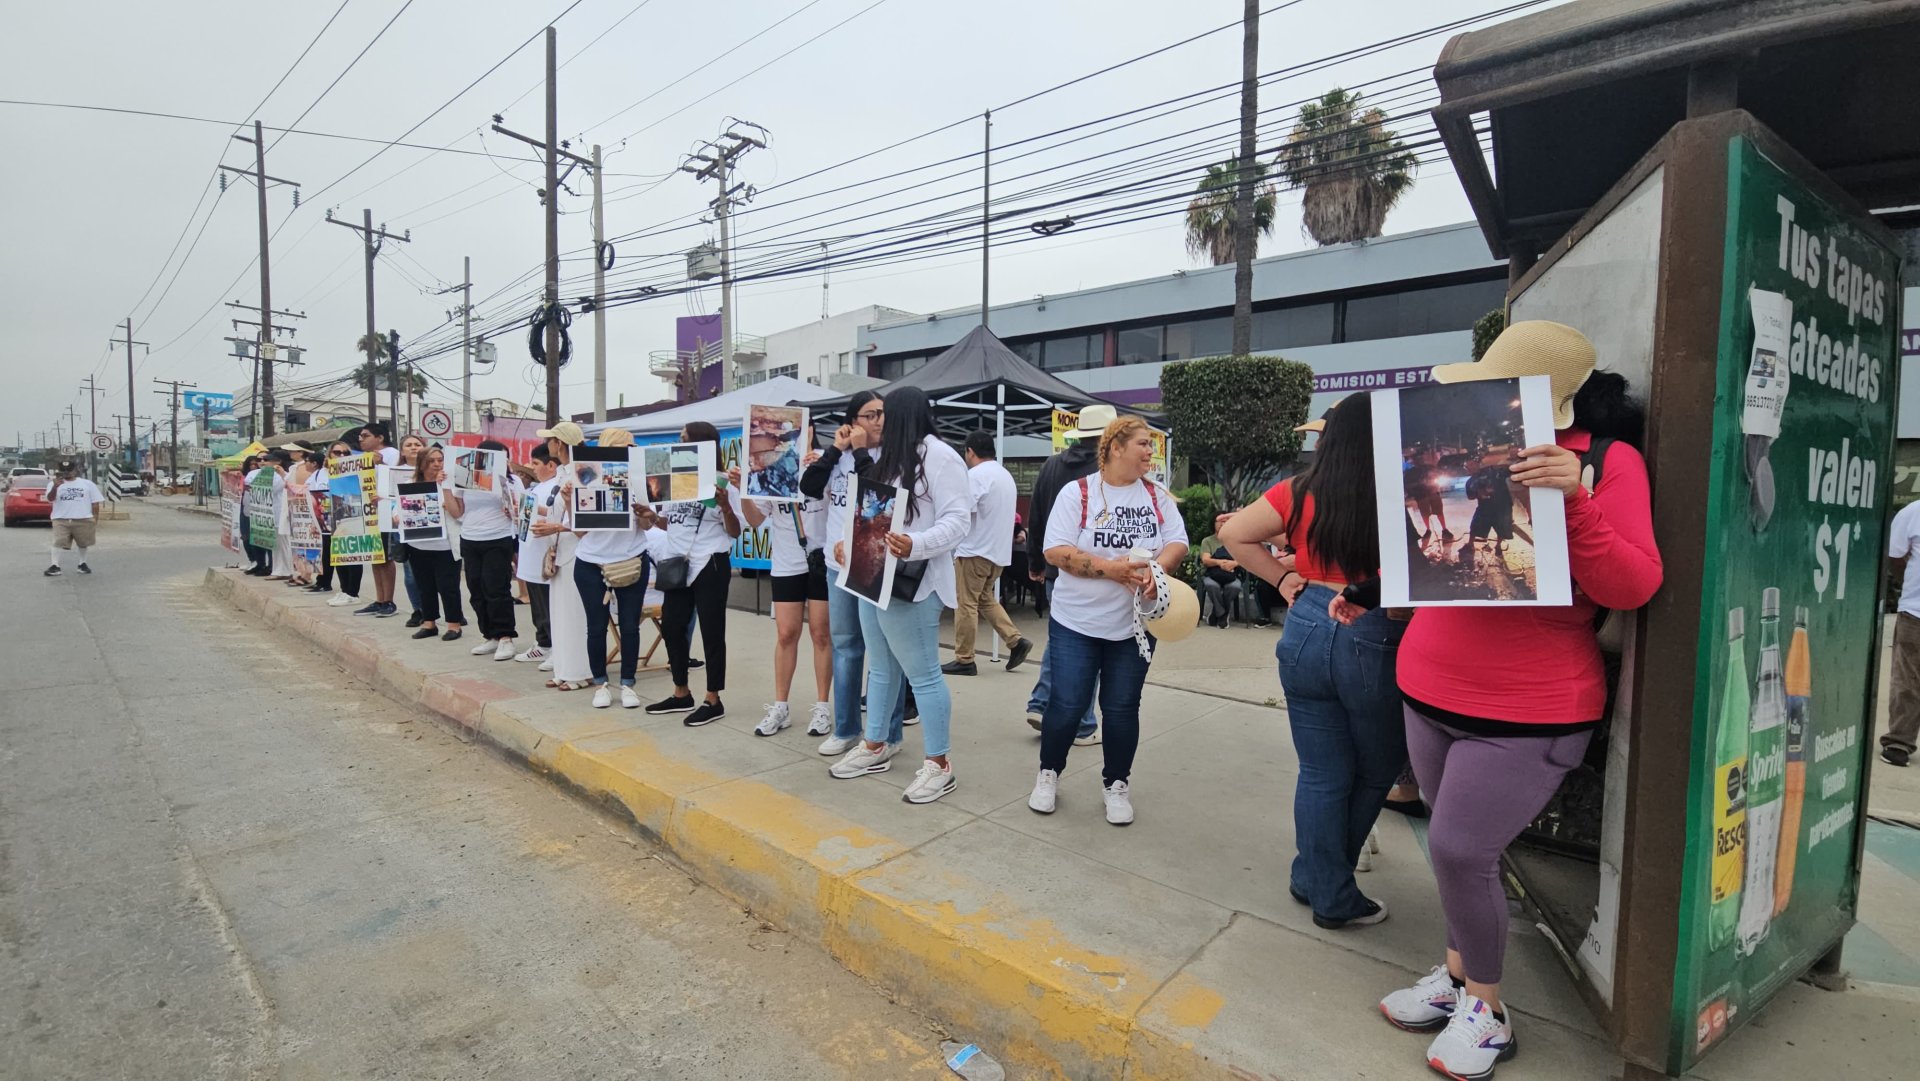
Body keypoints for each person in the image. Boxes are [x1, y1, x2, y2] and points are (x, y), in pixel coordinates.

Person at [1376, 323, 1662, 1080]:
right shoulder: (1481, 452)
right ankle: (1458, 974)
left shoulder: (1606, 462)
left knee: (1461, 848)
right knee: (1458, 850)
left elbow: (1634, 584)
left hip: (1531, 706)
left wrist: (1572, 500)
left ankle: (1488, 1009)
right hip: (1428, 685)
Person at [1221, 392, 1402, 932]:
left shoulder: (1299, 491)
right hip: (1374, 624)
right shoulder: (1398, 493)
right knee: (1373, 771)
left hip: (1307, 619)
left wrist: (1281, 577)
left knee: (1321, 772)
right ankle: (1330, 889)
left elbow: (1232, 533)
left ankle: (1316, 876)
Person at [1029, 415, 1188, 825]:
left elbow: (1177, 541)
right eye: (1142, 444)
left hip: (1134, 626)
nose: (1149, 453)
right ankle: (1049, 772)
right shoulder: (1077, 493)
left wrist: (1157, 573)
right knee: (1066, 705)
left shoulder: (1156, 496)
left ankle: (1116, 783)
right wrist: (1109, 569)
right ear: (1115, 447)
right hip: (1076, 623)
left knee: (1121, 709)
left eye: (1150, 446)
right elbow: (1055, 551)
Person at [826, 387, 971, 805]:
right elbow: (869, 513)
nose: (880, 421)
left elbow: (959, 521)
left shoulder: (942, 458)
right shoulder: (889, 458)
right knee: (881, 669)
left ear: (905, 414)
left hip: (914, 584)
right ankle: (876, 745)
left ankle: (939, 764)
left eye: (885, 413)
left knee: (923, 673)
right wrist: (846, 545)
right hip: (873, 579)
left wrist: (916, 543)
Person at [799, 390, 908, 757]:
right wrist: (834, 450)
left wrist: (860, 452)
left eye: (882, 413)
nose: (879, 420)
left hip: (877, 565)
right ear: (852, 421)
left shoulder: (893, 457)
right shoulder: (837, 457)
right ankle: (846, 728)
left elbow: (879, 496)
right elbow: (808, 488)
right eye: (870, 414)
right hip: (838, 565)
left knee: (886, 652)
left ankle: (889, 734)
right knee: (846, 646)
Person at [645, 421, 743, 726]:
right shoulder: (676, 480)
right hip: (677, 564)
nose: (678, 442)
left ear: (701, 445)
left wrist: (726, 506)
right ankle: (681, 692)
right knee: (673, 627)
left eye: (683, 439)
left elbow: (735, 530)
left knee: (712, 632)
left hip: (709, 563)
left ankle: (713, 699)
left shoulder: (723, 482)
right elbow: (670, 523)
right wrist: (651, 517)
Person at [1022, 406, 1110, 744]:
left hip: (1055, 565)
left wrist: (1035, 563)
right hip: (1095, 571)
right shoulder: (1106, 471)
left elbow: (1037, 518)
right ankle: (1083, 723)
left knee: (1062, 640)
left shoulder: (1052, 465)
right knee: (1092, 648)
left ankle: (1041, 703)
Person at [729, 458, 833, 739]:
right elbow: (754, 519)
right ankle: (780, 706)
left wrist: (825, 464)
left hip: (822, 560)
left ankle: (822, 706)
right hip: (787, 562)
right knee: (787, 634)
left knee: (821, 633)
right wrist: (743, 490)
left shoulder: (828, 462)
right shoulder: (771, 468)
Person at [573, 428, 661, 710]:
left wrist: (646, 515)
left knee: (630, 625)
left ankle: (628, 683)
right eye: (626, 446)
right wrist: (569, 502)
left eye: (633, 446)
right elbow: (579, 532)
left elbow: (648, 525)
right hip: (591, 561)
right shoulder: (584, 475)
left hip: (631, 558)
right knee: (596, 626)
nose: (630, 450)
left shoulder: (640, 480)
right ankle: (600, 683)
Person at [944, 431, 1033, 676]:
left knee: (966, 604)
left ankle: (964, 659)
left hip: (975, 549)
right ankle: (1015, 641)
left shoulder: (975, 476)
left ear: (970, 451)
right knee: (984, 598)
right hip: (998, 551)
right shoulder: (1004, 475)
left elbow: (961, 510)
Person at [449, 438, 523, 662]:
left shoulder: (513, 481)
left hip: (498, 537)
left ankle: (505, 636)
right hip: (470, 537)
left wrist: (503, 489)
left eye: (504, 456)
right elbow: (456, 511)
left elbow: (517, 510)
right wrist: (445, 487)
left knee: (496, 588)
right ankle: (489, 634)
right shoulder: (465, 476)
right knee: (476, 588)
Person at [533, 422, 594, 691]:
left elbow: (588, 518)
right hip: (559, 549)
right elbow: (558, 511)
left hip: (577, 550)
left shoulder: (584, 472)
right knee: (559, 612)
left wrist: (558, 526)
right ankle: (564, 668)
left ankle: (580, 671)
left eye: (551, 440)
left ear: (559, 444)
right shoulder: (561, 474)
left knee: (575, 613)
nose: (548, 444)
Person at [401, 445, 465, 642]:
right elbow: (399, 508)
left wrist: (444, 491)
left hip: (445, 545)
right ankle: (429, 622)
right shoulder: (410, 484)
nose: (437, 464)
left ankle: (454, 624)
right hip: (419, 545)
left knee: (448, 586)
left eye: (440, 460)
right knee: (424, 585)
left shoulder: (452, 484)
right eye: (432, 461)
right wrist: (397, 516)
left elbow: (459, 513)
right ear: (421, 465)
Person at [513, 446, 562, 665]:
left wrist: (536, 511)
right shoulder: (539, 487)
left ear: (551, 465)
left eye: (535, 464)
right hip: (530, 550)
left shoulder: (558, 486)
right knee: (537, 604)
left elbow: (559, 515)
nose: (533, 469)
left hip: (545, 552)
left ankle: (554, 646)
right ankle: (542, 643)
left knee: (547, 604)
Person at [1885, 498, 1920, 768]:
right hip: (1915, 612)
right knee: (1907, 679)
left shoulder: (1912, 512)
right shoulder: (1913, 512)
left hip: (1914, 609)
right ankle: (1899, 740)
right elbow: (1894, 557)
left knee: (1907, 679)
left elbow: (1896, 559)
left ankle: (1899, 741)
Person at [354, 422, 402, 617]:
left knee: (385, 557)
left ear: (380, 438)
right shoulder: (364, 458)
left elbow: (395, 480)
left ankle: (389, 601)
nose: (361, 439)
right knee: (375, 556)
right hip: (370, 511)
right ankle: (380, 599)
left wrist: (380, 463)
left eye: (365, 436)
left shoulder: (392, 454)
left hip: (386, 511)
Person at [314, 440, 366, 608]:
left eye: (345, 453)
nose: (342, 456)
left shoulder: (355, 472)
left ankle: (353, 592)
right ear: (329, 455)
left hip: (351, 514)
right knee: (338, 556)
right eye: (337, 453)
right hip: (329, 518)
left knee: (352, 553)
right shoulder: (321, 473)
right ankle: (344, 590)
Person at [44, 461, 104, 576]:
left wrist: (95, 518)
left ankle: (82, 563)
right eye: (63, 470)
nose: (66, 473)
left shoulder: (87, 484)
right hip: (61, 518)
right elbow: (50, 499)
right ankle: (55, 565)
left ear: (75, 470)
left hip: (83, 518)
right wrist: (56, 487)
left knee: (83, 542)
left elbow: (95, 503)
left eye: (69, 470)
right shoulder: (53, 484)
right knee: (58, 541)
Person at [397, 433, 429, 625]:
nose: (413, 447)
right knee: (410, 575)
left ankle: (451, 612)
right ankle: (418, 609)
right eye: (408, 445)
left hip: (432, 529)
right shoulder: (394, 472)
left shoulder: (435, 471)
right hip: (406, 528)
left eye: (417, 444)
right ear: (402, 451)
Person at [1199, 540, 1243, 628]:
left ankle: (1216, 613)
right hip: (1213, 574)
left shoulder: (1238, 540)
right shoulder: (1208, 541)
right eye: (1219, 524)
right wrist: (1219, 562)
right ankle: (1223, 615)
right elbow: (1205, 560)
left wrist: (1234, 563)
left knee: (1235, 587)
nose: (1222, 525)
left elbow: (1247, 559)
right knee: (1211, 585)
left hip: (1232, 575)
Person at [238, 454, 270, 575]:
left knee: (258, 537)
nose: (254, 465)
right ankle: (254, 560)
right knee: (246, 536)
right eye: (251, 463)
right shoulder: (246, 476)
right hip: (245, 508)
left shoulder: (268, 474)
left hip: (260, 509)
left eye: (256, 463)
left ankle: (264, 564)